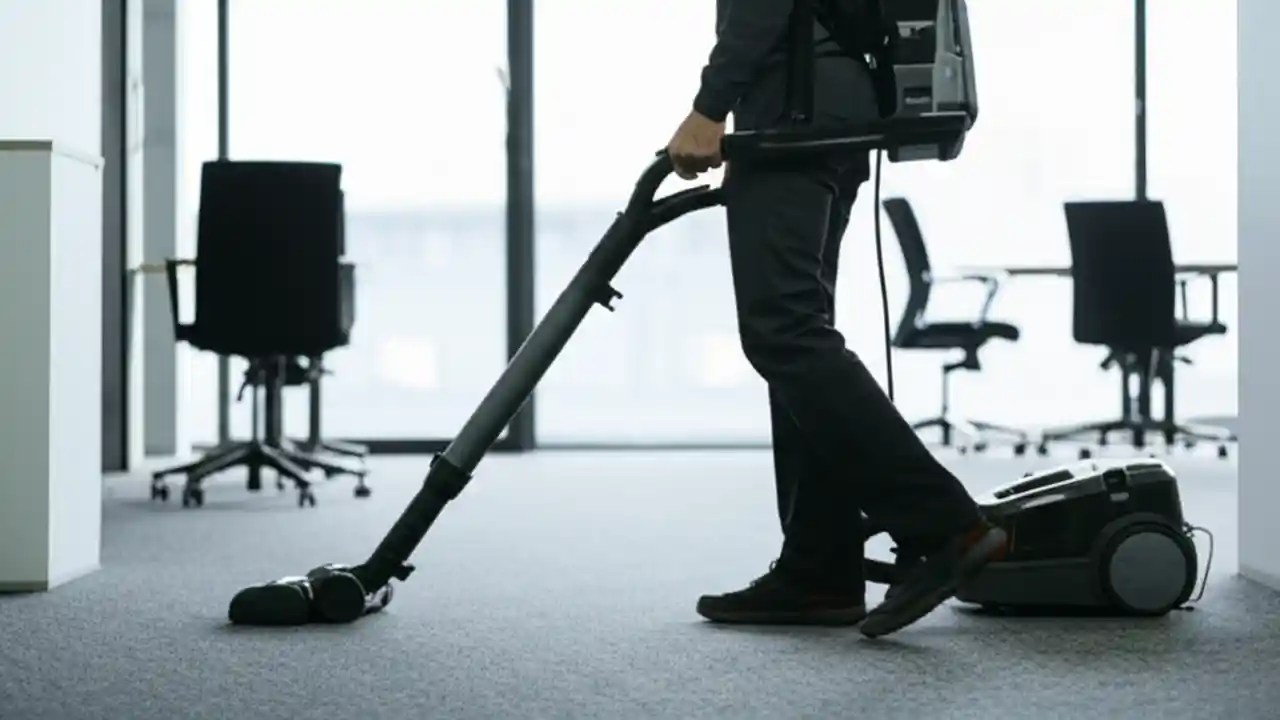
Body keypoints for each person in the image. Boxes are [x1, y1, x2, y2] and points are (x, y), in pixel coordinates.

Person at [664, 0, 1007, 638]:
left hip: (797, 109)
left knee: (785, 331)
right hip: (831, 106)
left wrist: (709, 108)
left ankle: (945, 524)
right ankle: (818, 568)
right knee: (798, 331)